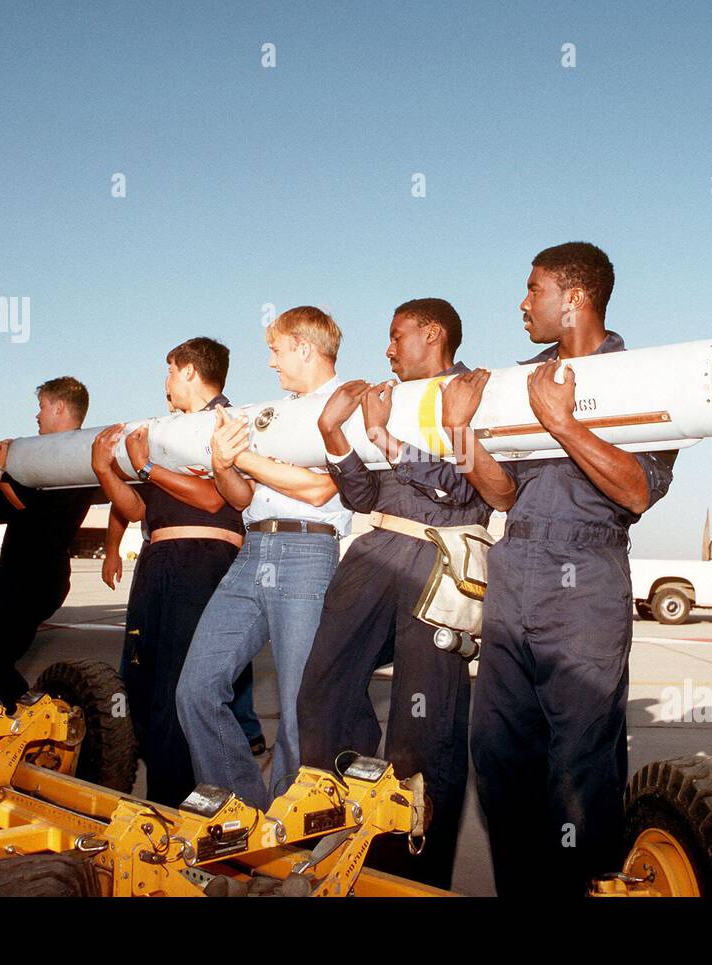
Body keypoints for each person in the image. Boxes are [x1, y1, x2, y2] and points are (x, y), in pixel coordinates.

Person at [440, 242, 677, 896]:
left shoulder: (647, 379)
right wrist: (464, 436)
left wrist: (565, 425)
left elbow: (637, 491)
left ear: (573, 298)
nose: (522, 302)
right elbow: (503, 493)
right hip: (513, 562)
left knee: (578, 769)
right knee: (495, 756)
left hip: (585, 574)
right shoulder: (521, 381)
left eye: (532, 288)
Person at [298, 298, 490, 889]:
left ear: (432, 334)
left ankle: (410, 871)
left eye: (396, 335)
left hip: (437, 562)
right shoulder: (390, 396)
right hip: (374, 553)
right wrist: (336, 434)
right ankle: (347, 819)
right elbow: (360, 497)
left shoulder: (474, 394)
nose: (386, 348)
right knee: (321, 690)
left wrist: (386, 437)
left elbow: (462, 489)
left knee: (424, 728)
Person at [176, 306, 351, 809]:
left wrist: (244, 457)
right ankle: (240, 810)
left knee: (298, 711)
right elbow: (239, 497)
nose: (271, 362)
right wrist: (221, 463)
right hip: (253, 551)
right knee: (195, 689)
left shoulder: (346, 405)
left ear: (302, 346)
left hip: (308, 551)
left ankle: (285, 831)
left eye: (276, 349)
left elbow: (321, 489)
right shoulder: (272, 414)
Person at [91, 338, 263, 807]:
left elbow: (214, 499)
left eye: (169, 369)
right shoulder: (166, 431)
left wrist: (146, 466)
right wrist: (107, 472)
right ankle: (165, 794)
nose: (164, 380)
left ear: (189, 371)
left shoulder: (225, 424)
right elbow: (137, 507)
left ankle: (179, 808)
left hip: (201, 565)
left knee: (179, 692)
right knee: (141, 686)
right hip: (158, 564)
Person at [0, 377, 97, 711]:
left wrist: (0, 476)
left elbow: (39, 517)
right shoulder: (44, 459)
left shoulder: (77, 459)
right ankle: (14, 724)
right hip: (17, 571)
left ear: (59, 407)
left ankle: (41, 720)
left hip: (36, 575)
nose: (36, 416)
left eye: (41, 407)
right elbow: (10, 511)